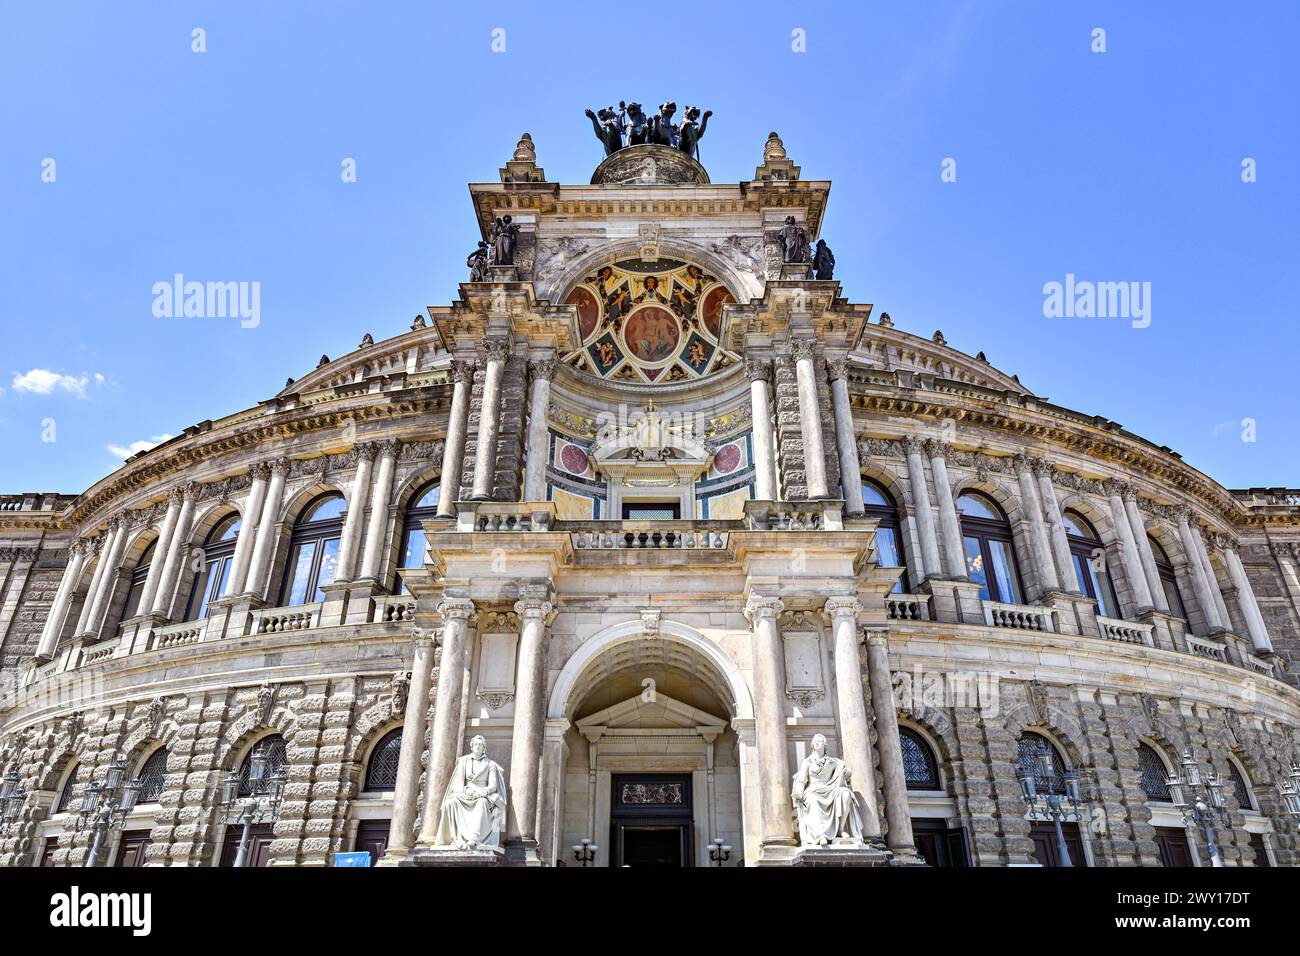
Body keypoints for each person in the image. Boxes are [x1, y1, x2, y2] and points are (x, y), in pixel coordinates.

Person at [435, 735, 508, 848]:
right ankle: (456, 839)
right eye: (476, 744)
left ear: (484, 748)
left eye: (480, 745)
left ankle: (474, 838)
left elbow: (493, 785)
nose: (478, 746)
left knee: (482, 803)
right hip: (465, 793)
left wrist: (484, 791)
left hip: (481, 794)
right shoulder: (463, 761)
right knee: (450, 802)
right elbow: (458, 782)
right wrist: (466, 790)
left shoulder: (490, 764)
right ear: (472, 746)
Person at [791, 733, 864, 845]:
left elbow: (842, 773)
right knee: (813, 800)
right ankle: (821, 835)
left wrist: (847, 774)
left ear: (825, 745)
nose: (817, 742)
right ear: (812, 745)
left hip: (830, 789)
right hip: (813, 790)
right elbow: (801, 780)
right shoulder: (807, 762)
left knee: (845, 794)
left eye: (819, 740)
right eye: (815, 741)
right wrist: (798, 793)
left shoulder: (833, 762)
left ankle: (840, 829)